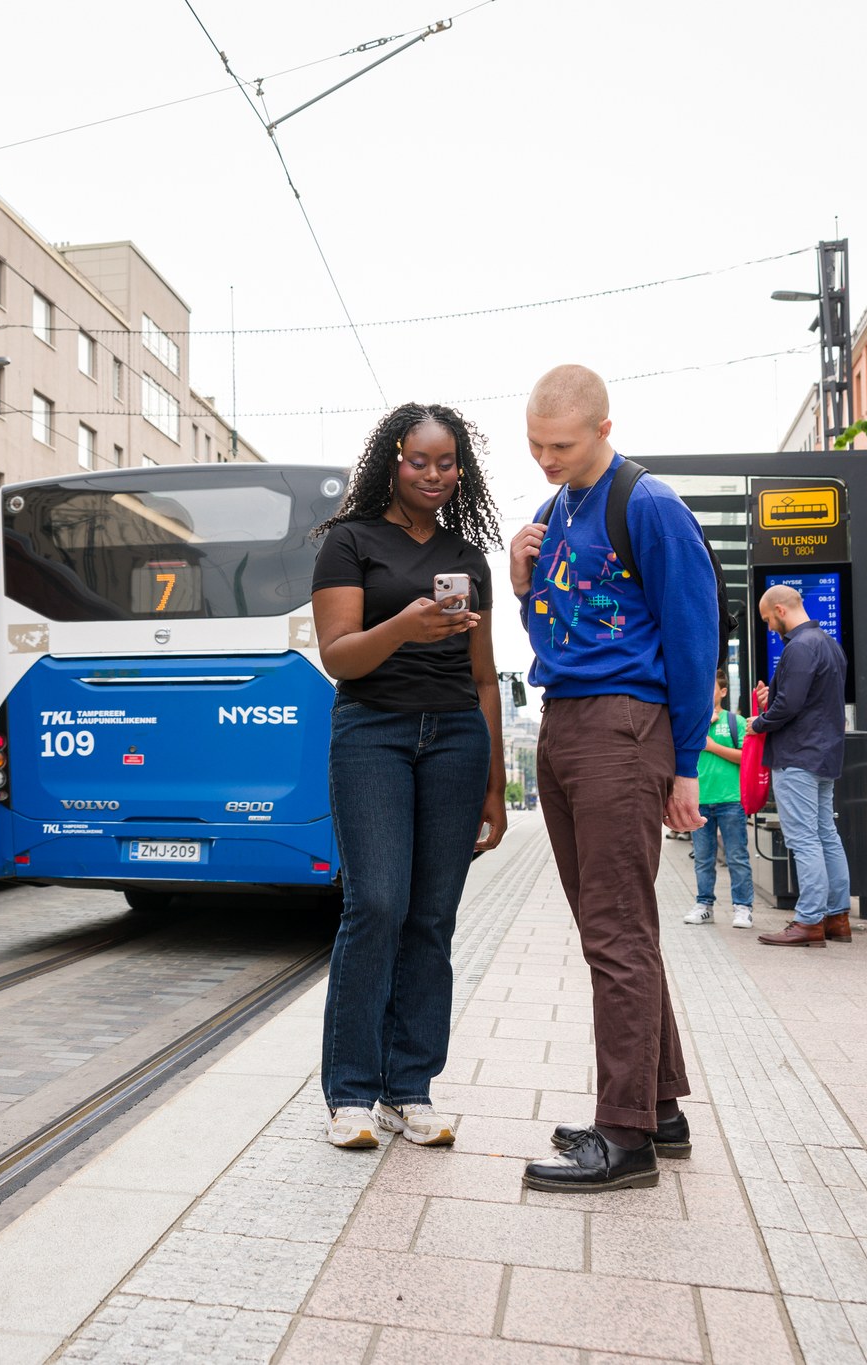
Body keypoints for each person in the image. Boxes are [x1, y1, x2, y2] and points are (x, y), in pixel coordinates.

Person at [507, 365, 718, 1193]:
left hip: (625, 725)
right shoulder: (550, 511)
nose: (545, 459)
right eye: (534, 443)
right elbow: (553, 628)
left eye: (559, 445)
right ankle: (657, 1109)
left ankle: (622, 1138)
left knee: (615, 932)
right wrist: (522, 584)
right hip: (565, 719)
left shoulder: (650, 506)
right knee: (616, 924)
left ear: (602, 428)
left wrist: (689, 765)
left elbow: (695, 639)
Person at [310, 402, 507, 1151]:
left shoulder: (470, 554)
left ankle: (410, 1088)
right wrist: (405, 626)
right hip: (374, 733)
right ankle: (351, 1092)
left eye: (447, 461)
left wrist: (493, 785)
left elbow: (485, 677)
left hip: (456, 735)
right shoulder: (349, 542)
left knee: (432, 916)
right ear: (392, 459)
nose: (435, 474)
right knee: (378, 903)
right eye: (420, 460)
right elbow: (340, 655)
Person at [750, 584, 851, 947]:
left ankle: (808, 921)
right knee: (826, 835)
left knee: (804, 839)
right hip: (824, 754)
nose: (769, 628)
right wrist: (770, 696)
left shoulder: (799, 647)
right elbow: (809, 700)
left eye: (766, 620)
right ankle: (837, 917)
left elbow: (790, 706)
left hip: (797, 755)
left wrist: (757, 722)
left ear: (779, 610)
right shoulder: (829, 644)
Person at [687, 673, 754, 929]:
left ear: (723, 692)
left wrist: (713, 746)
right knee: (703, 858)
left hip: (730, 800)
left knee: (737, 856)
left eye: (712, 686)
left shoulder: (735, 721)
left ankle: (743, 907)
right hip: (700, 799)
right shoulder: (693, 721)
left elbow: (746, 757)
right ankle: (704, 905)